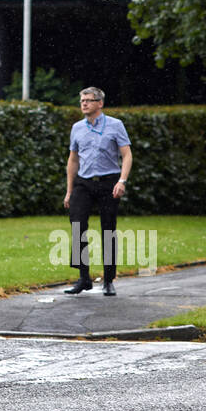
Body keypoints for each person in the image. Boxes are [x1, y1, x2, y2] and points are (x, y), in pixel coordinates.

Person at [63, 87, 132, 296]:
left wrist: (122, 181)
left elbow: (127, 155)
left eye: (88, 100)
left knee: (108, 229)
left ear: (100, 103)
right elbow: (73, 160)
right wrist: (69, 190)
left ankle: (109, 280)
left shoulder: (115, 125)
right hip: (84, 182)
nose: (84, 104)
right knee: (77, 225)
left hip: (109, 181)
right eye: (82, 100)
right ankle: (84, 278)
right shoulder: (77, 128)